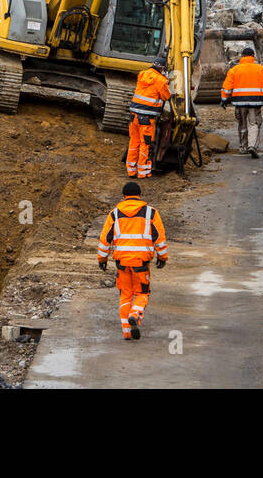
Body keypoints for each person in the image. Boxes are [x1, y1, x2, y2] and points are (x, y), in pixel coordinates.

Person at [96, 181, 169, 341]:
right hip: (141, 263)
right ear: (139, 195)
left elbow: (105, 238)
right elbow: (159, 238)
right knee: (143, 293)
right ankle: (135, 314)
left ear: (123, 197)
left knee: (125, 295)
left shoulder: (114, 214)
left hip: (121, 262)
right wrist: (162, 257)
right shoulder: (151, 213)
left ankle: (127, 332)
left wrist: (102, 258)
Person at [220, 46, 263, 156]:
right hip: (256, 101)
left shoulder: (234, 70)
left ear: (242, 57)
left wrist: (224, 99)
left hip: (239, 102)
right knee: (254, 123)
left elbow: (227, 87)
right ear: (253, 56)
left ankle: (243, 147)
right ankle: (252, 146)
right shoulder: (261, 69)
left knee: (242, 124)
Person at [127, 55, 171, 179]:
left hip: (134, 115)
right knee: (145, 144)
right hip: (147, 118)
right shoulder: (161, 80)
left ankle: (131, 170)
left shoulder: (142, 74)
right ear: (162, 68)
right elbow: (166, 96)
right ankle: (142, 172)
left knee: (134, 142)